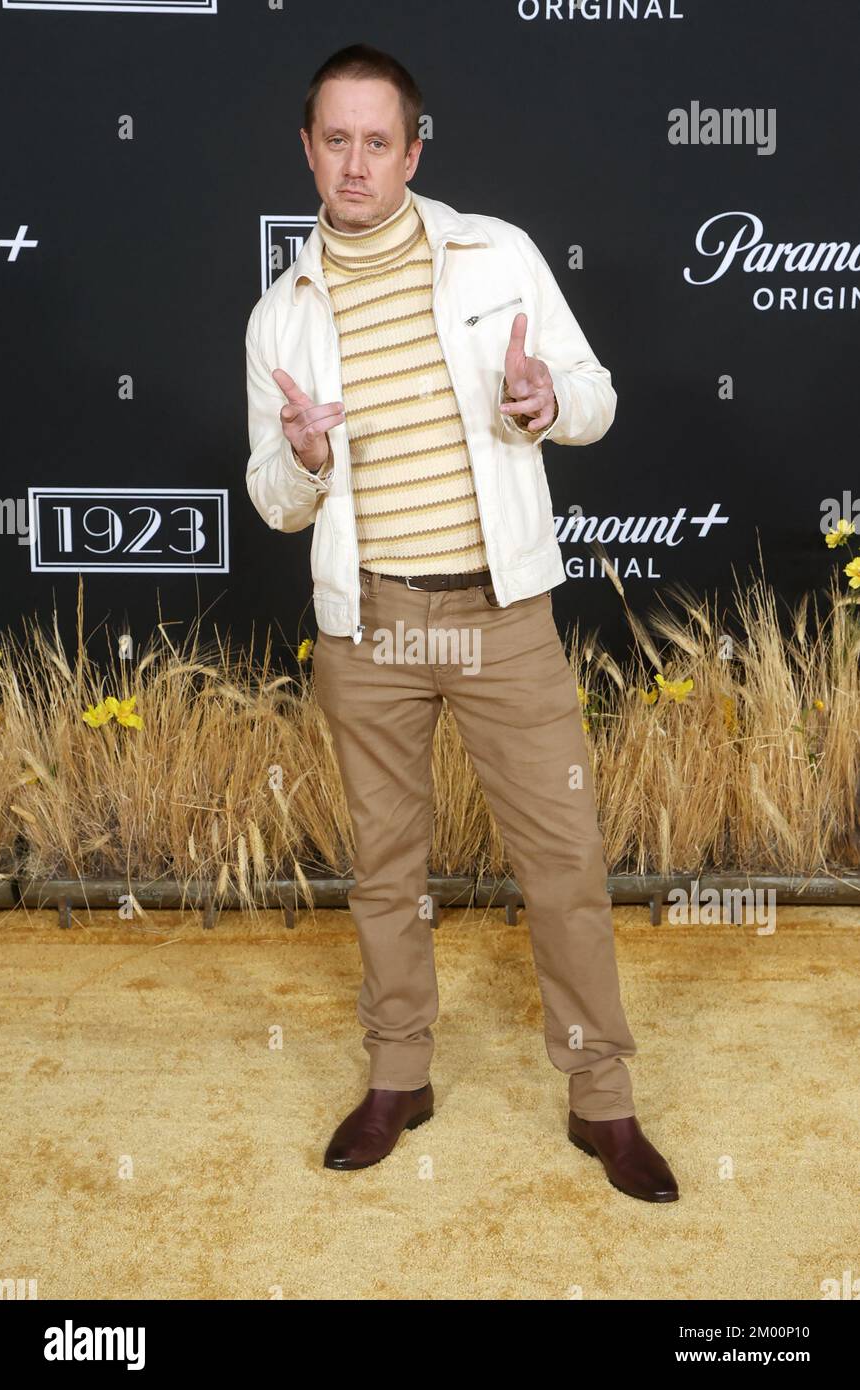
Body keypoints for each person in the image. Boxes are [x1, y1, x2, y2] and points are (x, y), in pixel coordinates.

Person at [245, 43, 678, 1202]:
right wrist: (300, 456)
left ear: (412, 149)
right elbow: (273, 501)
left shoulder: (498, 253)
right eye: (333, 139)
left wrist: (546, 403)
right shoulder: (279, 317)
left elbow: (591, 394)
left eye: (375, 140)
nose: (353, 162)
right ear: (305, 147)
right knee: (386, 869)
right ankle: (400, 1076)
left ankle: (601, 1100)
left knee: (563, 862)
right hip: (368, 621)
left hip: (499, 610)